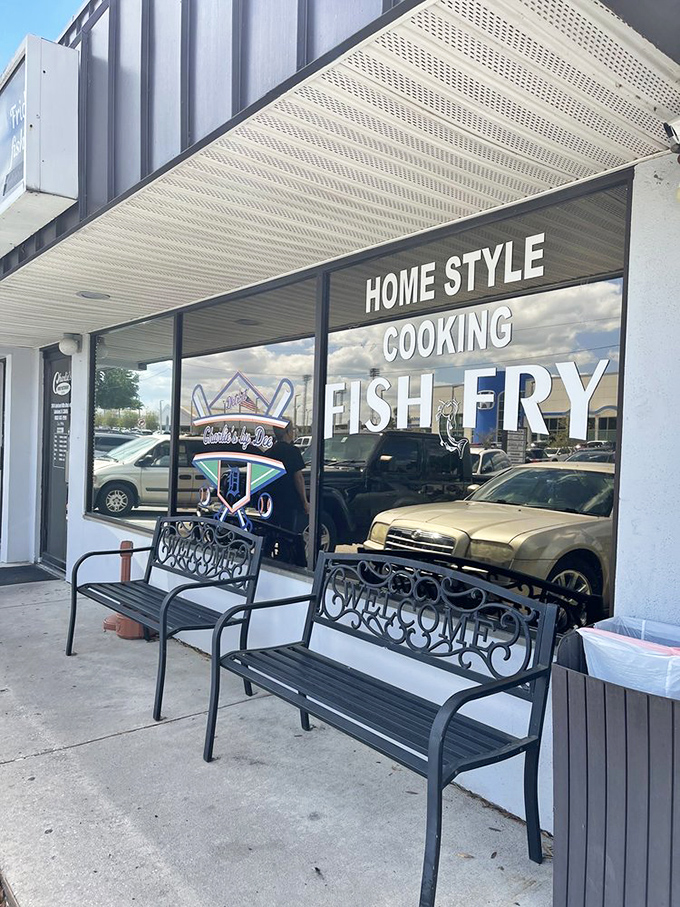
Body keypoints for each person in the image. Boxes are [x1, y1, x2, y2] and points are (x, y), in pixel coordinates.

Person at [268, 421, 309, 535]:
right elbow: (298, 478)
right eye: (292, 430)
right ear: (288, 432)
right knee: (287, 534)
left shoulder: (269, 452)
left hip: (271, 501)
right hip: (289, 502)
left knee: (271, 533)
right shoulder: (293, 452)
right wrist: (305, 502)